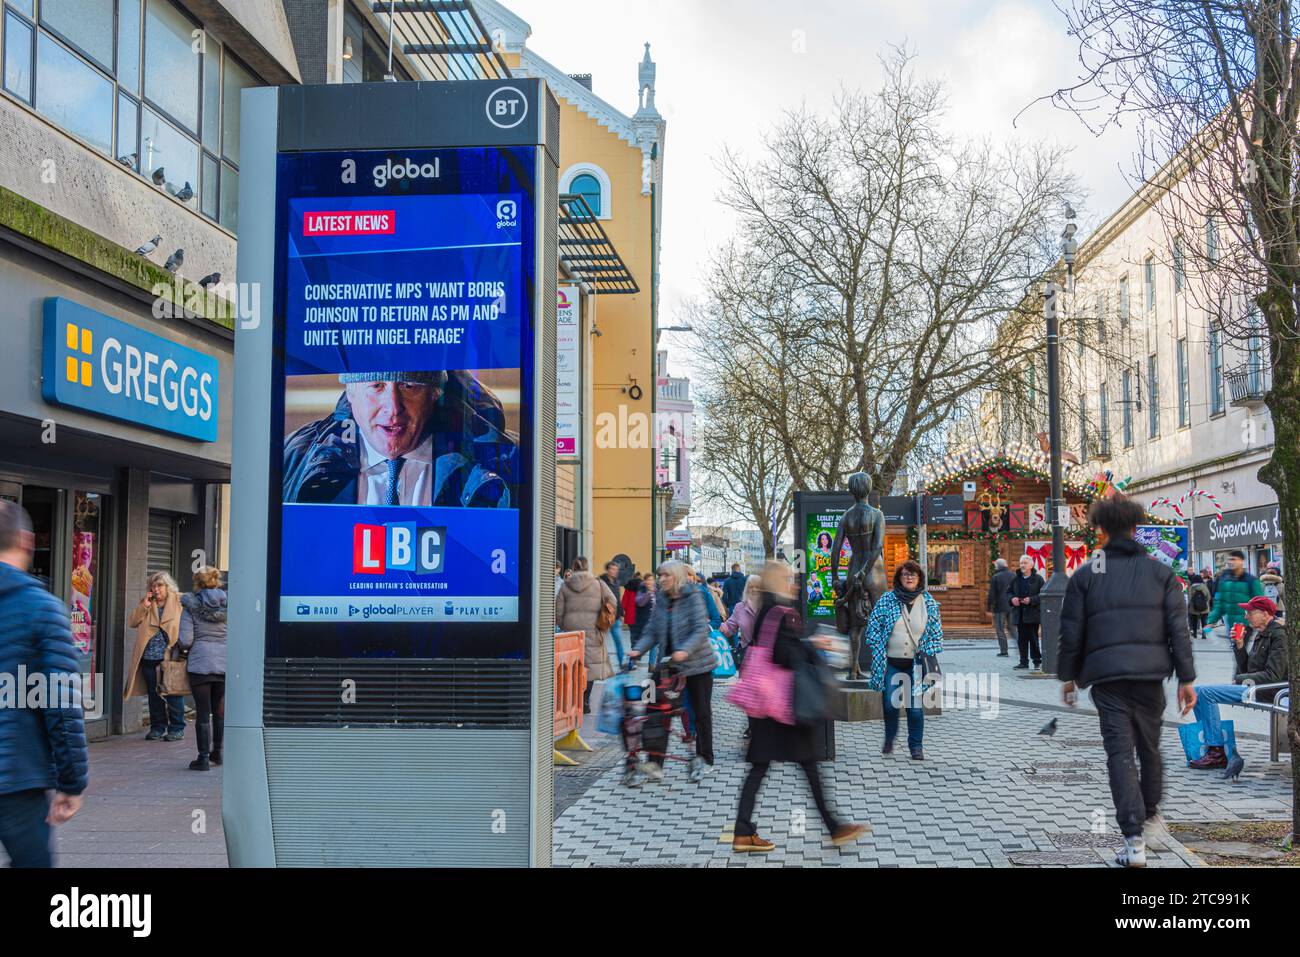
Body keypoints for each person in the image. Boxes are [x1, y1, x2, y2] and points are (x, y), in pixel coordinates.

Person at [1058, 495, 1197, 868]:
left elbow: (1071, 631)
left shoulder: (1088, 573)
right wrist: (1187, 678)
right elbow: (1178, 630)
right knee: (1150, 748)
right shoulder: (1160, 572)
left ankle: (1133, 839)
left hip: (1107, 680)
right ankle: (1150, 816)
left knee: (1120, 753)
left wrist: (1068, 676)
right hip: (1152, 677)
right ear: (1137, 529)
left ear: (1100, 530)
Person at [730, 561, 870, 852]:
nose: (794, 584)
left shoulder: (765, 609)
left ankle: (744, 831)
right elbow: (783, 654)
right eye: (789, 579)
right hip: (784, 705)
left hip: (767, 706)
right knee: (808, 766)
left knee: (763, 768)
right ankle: (834, 828)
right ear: (777, 581)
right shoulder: (782, 611)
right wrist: (814, 646)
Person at [283, 370, 516, 508]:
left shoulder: (511, 463)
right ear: (350, 392)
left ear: (436, 392)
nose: (393, 408)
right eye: (376, 385)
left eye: (409, 386)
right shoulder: (292, 459)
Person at [0, 501, 88, 867]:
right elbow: (62, 705)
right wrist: (72, 782)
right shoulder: (42, 608)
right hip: (17, 778)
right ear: (26, 540)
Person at [629, 561, 718, 783]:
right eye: (660, 575)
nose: (662, 579)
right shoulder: (660, 598)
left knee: (701, 712)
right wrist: (637, 650)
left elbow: (700, 629)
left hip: (696, 664)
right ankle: (654, 762)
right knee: (652, 709)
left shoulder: (693, 595)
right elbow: (652, 629)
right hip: (667, 664)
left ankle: (705, 758)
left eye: (667, 575)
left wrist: (684, 651)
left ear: (677, 576)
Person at [1188, 595, 1288, 771]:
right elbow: (1247, 670)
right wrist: (1240, 645)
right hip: (1255, 687)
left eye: (1250, 612)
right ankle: (1213, 747)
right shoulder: (1262, 634)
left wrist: (1240, 680)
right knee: (1197, 691)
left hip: (1269, 691)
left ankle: (1217, 751)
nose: (1245, 616)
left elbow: (1273, 675)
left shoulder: (1278, 635)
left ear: (1265, 614)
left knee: (1206, 693)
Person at [865, 560, 943, 760]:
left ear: (919, 579)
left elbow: (936, 635)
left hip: (915, 666)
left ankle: (916, 747)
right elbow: (873, 626)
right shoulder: (887, 600)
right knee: (891, 706)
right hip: (891, 663)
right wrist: (877, 647)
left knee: (915, 709)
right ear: (899, 578)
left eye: (913, 575)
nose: (909, 577)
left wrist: (928, 649)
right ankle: (890, 737)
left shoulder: (929, 603)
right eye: (905, 574)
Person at [177, 566, 227, 772]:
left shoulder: (190, 607)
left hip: (200, 664)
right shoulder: (229, 606)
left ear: (197, 583)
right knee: (219, 711)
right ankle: (218, 753)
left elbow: (185, 639)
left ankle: (203, 758)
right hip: (224, 663)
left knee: (203, 712)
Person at [126, 570, 185, 740]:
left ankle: (177, 728)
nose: (156, 589)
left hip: (170, 657)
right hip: (149, 657)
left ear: (168, 587)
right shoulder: (147, 603)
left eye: (159, 585)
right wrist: (144, 605)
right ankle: (157, 727)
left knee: (173, 693)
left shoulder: (179, 600)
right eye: (153, 586)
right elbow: (132, 622)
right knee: (154, 694)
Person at [555, 557, 616, 714]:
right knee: (590, 667)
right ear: (587, 568)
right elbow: (613, 601)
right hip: (593, 631)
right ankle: (585, 700)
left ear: (573, 568)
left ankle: (573, 700)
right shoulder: (599, 584)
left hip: (571, 633)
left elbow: (558, 612)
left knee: (573, 666)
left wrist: (565, 625)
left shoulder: (565, 586)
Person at [1206, 550, 1264, 639]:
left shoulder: (1251, 580)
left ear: (1241, 561)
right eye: (1229, 560)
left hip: (1245, 624)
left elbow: (1260, 603)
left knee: (1239, 649)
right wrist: (1211, 621)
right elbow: (1220, 604)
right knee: (1238, 650)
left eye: (1233, 559)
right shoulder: (1224, 580)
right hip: (1231, 624)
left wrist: (1260, 622)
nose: (1230, 562)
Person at [1008, 554, 1045, 670]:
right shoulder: (1015, 579)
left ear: (1031, 565)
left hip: (1033, 614)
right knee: (1021, 639)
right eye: (1021, 563)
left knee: (1033, 639)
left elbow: (1043, 595)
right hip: (1019, 614)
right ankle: (1023, 662)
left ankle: (1037, 661)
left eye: (1025, 563)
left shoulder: (1038, 579)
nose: (1022, 565)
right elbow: (1008, 593)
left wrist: (1031, 600)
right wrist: (1012, 599)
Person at [598, 561, 626, 667]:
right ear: (607, 569)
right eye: (612, 569)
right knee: (600, 641)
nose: (614, 572)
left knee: (618, 640)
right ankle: (600, 663)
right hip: (604, 616)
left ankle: (621, 662)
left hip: (616, 617)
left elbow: (618, 599)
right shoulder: (601, 581)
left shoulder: (616, 582)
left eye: (616, 570)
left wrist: (622, 613)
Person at [986, 557, 1015, 658]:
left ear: (997, 566)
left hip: (1000, 607)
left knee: (1000, 629)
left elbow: (992, 594)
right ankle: (1021, 648)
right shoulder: (1013, 575)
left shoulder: (996, 577)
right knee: (1012, 628)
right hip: (1012, 605)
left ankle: (1004, 651)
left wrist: (989, 608)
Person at [1187, 571, 1212, 639]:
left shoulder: (1191, 587)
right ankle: (1204, 634)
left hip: (1194, 609)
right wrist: (1204, 602)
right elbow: (1209, 597)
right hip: (1204, 609)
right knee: (1204, 622)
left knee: (1194, 622)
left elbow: (1189, 598)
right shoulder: (1204, 586)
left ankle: (1195, 634)